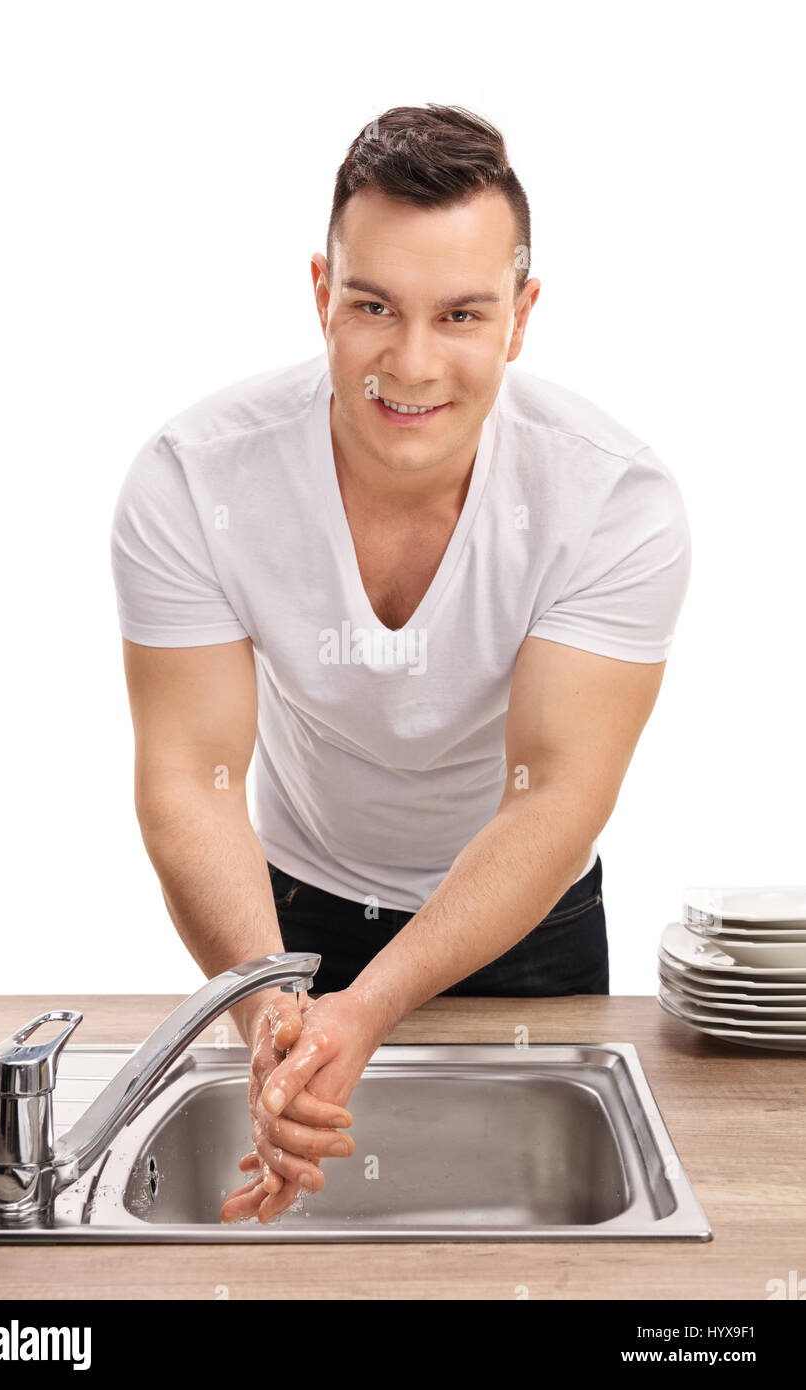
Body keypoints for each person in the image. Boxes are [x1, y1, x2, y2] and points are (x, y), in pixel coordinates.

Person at [110, 104, 691, 1223]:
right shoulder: (192, 480)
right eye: (373, 306)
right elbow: (192, 777)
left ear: (519, 320)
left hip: (527, 927)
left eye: (460, 314)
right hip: (285, 925)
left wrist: (369, 1009)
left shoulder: (612, 501)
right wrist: (274, 1007)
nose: (411, 364)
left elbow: (556, 796)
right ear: (321, 291)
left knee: (541, 1253)